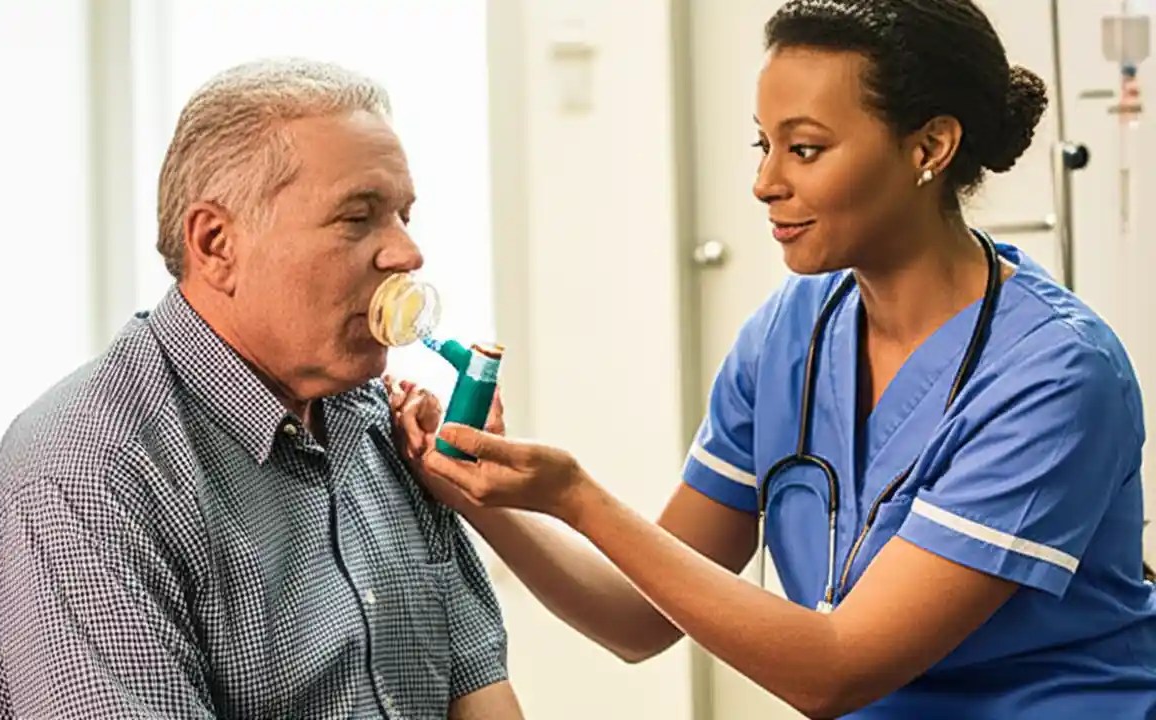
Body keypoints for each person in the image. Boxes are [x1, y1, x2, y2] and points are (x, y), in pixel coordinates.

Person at [391, 1, 1156, 717]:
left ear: (929, 146)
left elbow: (833, 672)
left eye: (805, 149)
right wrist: (486, 497)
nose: (765, 183)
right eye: (764, 144)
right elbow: (635, 622)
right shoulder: (794, 332)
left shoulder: (1053, 378)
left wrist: (581, 496)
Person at [0, 59, 521, 720]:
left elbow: (480, 694)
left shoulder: (381, 425)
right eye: (357, 219)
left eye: (403, 216)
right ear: (216, 243)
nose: (406, 254)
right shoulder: (87, 475)